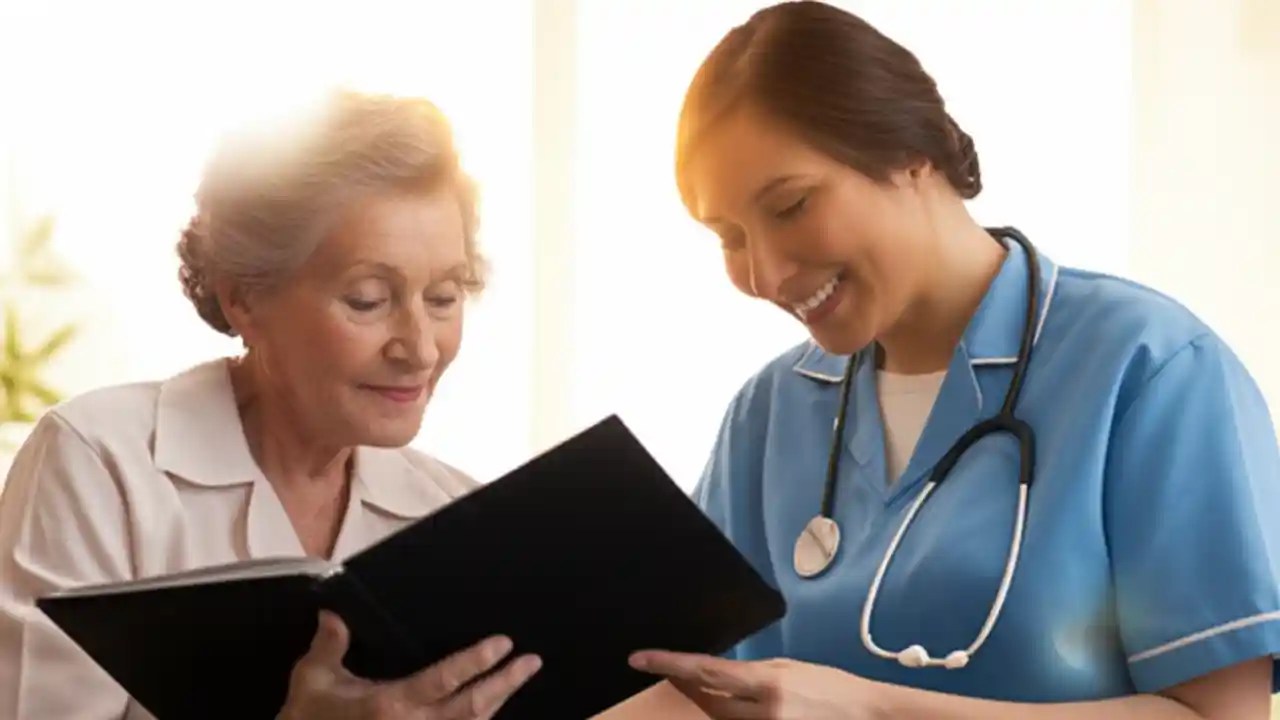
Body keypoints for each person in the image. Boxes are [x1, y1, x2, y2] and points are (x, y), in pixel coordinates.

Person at [606, 2, 1280, 719]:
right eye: (728, 236)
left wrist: (871, 710)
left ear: (907, 152)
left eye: (791, 205)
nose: (765, 274)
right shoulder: (768, 414)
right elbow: (679, 694)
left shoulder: (1148, 368)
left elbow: (1218, 715)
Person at [0, 90, 540, 719]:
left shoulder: (458, 517)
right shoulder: (98, 464)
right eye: (368, 299)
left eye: (444, 297)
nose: (419, 349)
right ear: (245, 300)